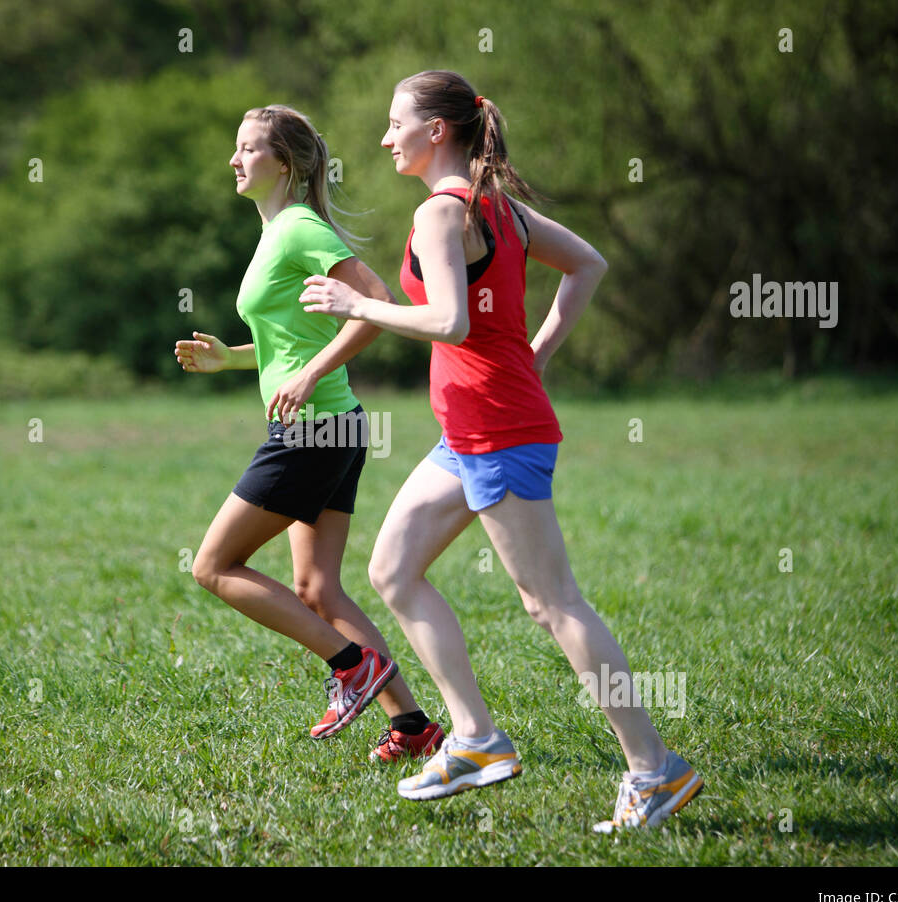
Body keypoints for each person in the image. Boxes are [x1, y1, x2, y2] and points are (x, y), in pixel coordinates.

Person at [298, 72, 703, 830]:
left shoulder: (442, 214)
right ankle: (476, 738)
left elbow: (449, 321)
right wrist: (537, 353)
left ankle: (654, 770)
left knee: (552, 603)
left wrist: (359, 306)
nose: (386, 139)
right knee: (392, 569)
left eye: (396, 125)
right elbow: (590, 264)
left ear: (438, 132)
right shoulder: (497, 208)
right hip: (472, 433)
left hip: (499, 433)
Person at [175, 105, 444, 762]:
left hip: (314, 429)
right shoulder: (274, 233)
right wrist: (235, 359)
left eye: (247, 149)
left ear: (284, 163)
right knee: (317, 588)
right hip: (334, 425)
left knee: (213, 566)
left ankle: (351, 667)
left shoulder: (297, 228)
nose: (234, 160)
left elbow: (374, 308)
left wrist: (308, 376)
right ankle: (413, 729)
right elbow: (294, 341)